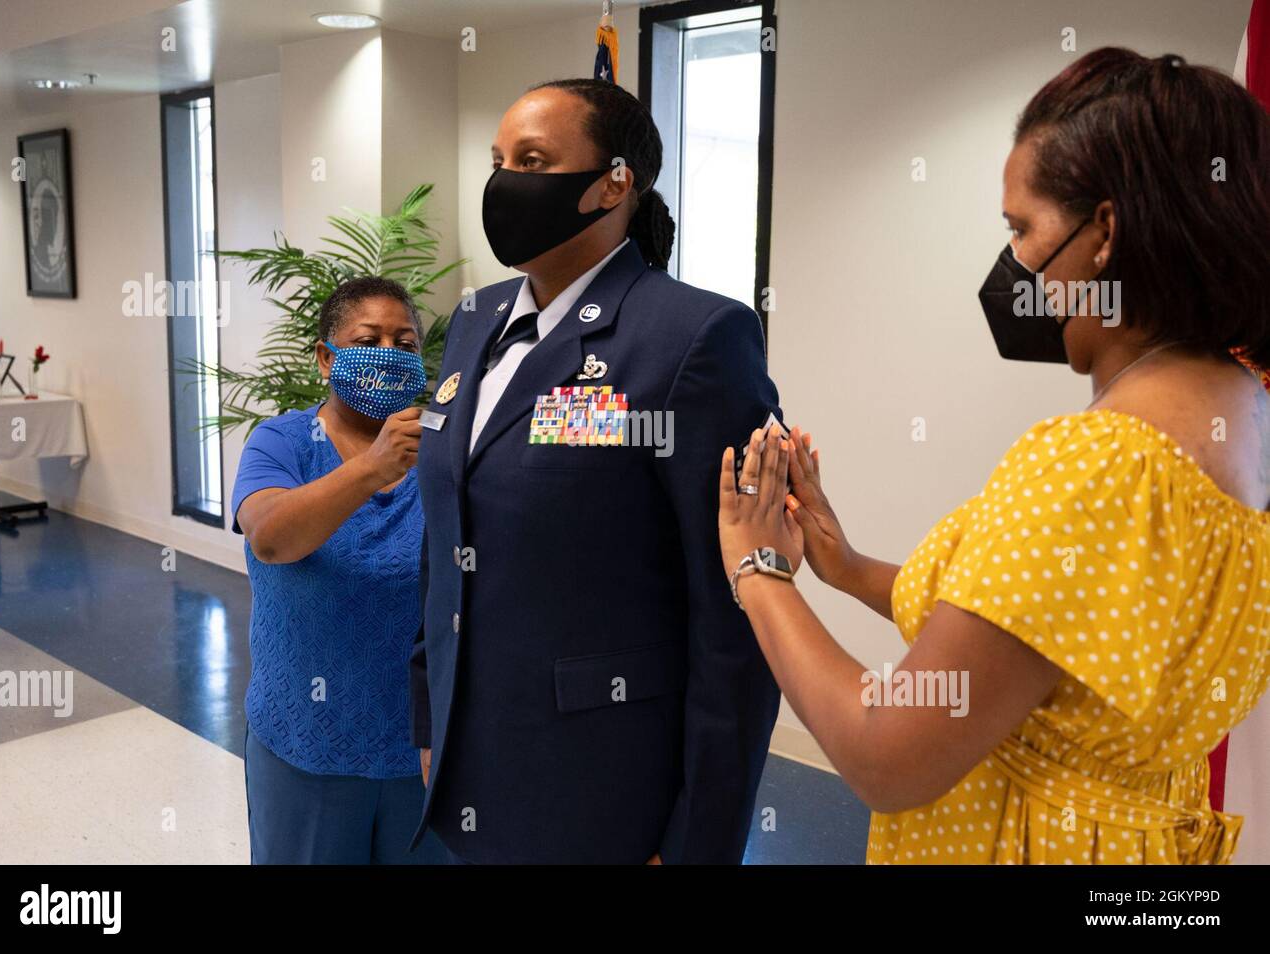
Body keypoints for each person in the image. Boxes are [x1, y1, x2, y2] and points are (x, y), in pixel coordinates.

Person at [717, 48, 1270, 864]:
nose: (1013, 268)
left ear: (1105, 234)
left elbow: (885, 753)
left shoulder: (1100, 463)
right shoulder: (1245, 409)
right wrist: (844, 565)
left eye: (1022, 230)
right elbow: (1041, 642)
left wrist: (758, 574)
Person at [409, 78, 782, 864]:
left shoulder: (693, 338)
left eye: (534, 160)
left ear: (615, 181)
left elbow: (737, 618)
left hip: (605, 789)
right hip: (471, 764)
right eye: (498, 159)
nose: (504, 181)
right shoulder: (476, 320)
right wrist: (427, 718)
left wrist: (693, 844)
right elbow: (444, 536)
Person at [232, 276, 444, 864]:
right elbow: (272, 538)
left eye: (404, 344)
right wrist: (374, 466)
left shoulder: (442, 453)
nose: (389, 356)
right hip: (307, 745)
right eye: (369, 339)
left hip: (421, 749)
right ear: (327, 359)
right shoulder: (282, 442)